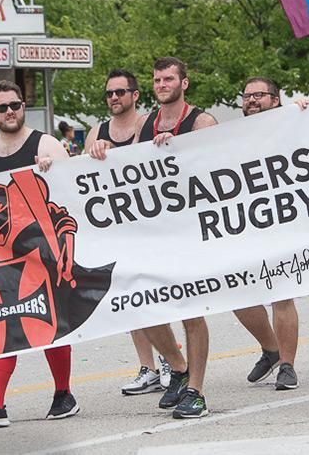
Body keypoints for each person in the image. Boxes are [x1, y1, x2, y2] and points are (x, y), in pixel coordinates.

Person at [0, 80, 80, 428]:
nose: (10, 111)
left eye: (16, 105)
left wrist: (54, 170)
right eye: (2, 107)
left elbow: (72, 191)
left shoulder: (47, 144)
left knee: (47, 325)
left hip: (42, 253)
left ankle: (63, 393)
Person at [133, 57, 216, 419]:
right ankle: (178, 368)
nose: (162, 84)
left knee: (192, 313)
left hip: (193, 231)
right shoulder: (146, 124)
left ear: (185, 82)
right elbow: (129, 167)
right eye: (157, 79)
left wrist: (180, 151)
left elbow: (217, 166)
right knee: (146, 307)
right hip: (156, 233)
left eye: (169, 79)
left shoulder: (201, 121)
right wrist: (102, 153)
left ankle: (196, 390)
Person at [84, 69, 171, 396]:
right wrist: (92, 154)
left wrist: (163, 142)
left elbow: (167, 158)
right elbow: (80, 176)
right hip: (116, 229)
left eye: (120, 92)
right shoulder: (97, 132)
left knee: (156, 296)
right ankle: (147, 366)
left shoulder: (151, 124)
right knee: (130, 299)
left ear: (135, 95)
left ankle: (168, 359)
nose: (114, 98)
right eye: (109, 93)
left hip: (151, 226)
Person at [229, 77, 302, 391]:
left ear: (276, 99)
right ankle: (271, 349)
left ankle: (287, 365)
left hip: (282, 225)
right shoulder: (231, 136)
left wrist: (299, 112)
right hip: (246, 226)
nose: (252, 100)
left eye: (259, 95)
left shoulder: (292, 127)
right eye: (247, 96)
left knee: (281, 296)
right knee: (237, 294)